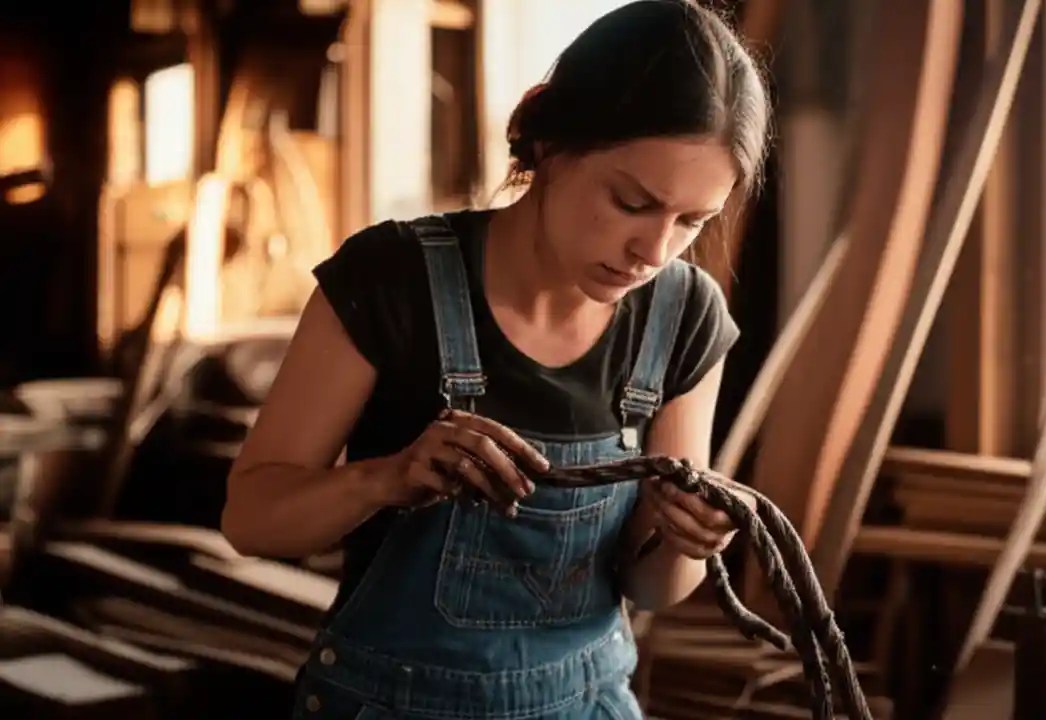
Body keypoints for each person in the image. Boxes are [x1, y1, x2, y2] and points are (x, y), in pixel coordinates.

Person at [221, 1, 771, 717]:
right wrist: (384, 479)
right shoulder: (390, 280)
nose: (655, 252)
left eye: (692, 222)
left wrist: (687, 540)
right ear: (545, 134)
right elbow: (250, 521)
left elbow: (653, 590)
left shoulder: (684, 316)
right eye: (632, 201)